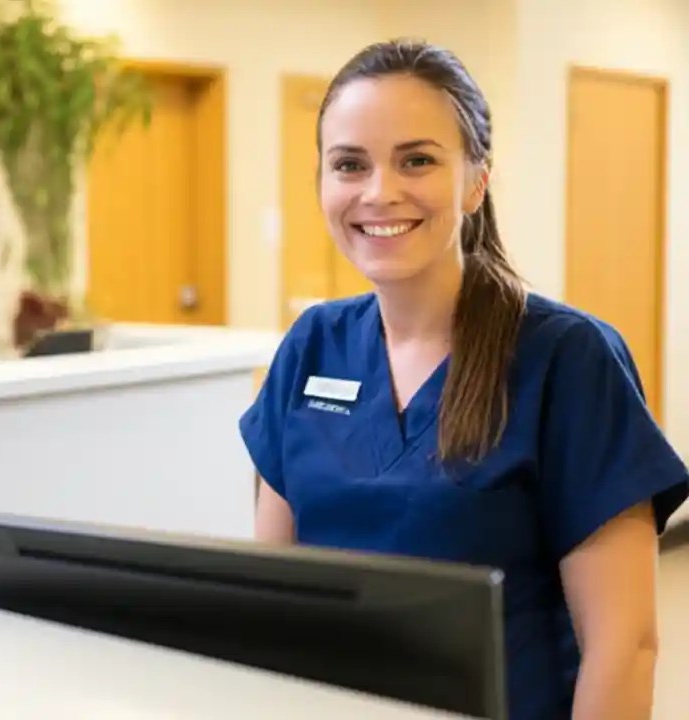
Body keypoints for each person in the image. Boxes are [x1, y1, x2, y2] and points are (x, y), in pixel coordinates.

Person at [239, 38, 688, 720]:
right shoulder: (311, 347)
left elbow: (623, 648)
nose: (378, 191)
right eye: (349, 164)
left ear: (476, 179)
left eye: (416, 159)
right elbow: (271, 603)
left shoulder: (568, 360)